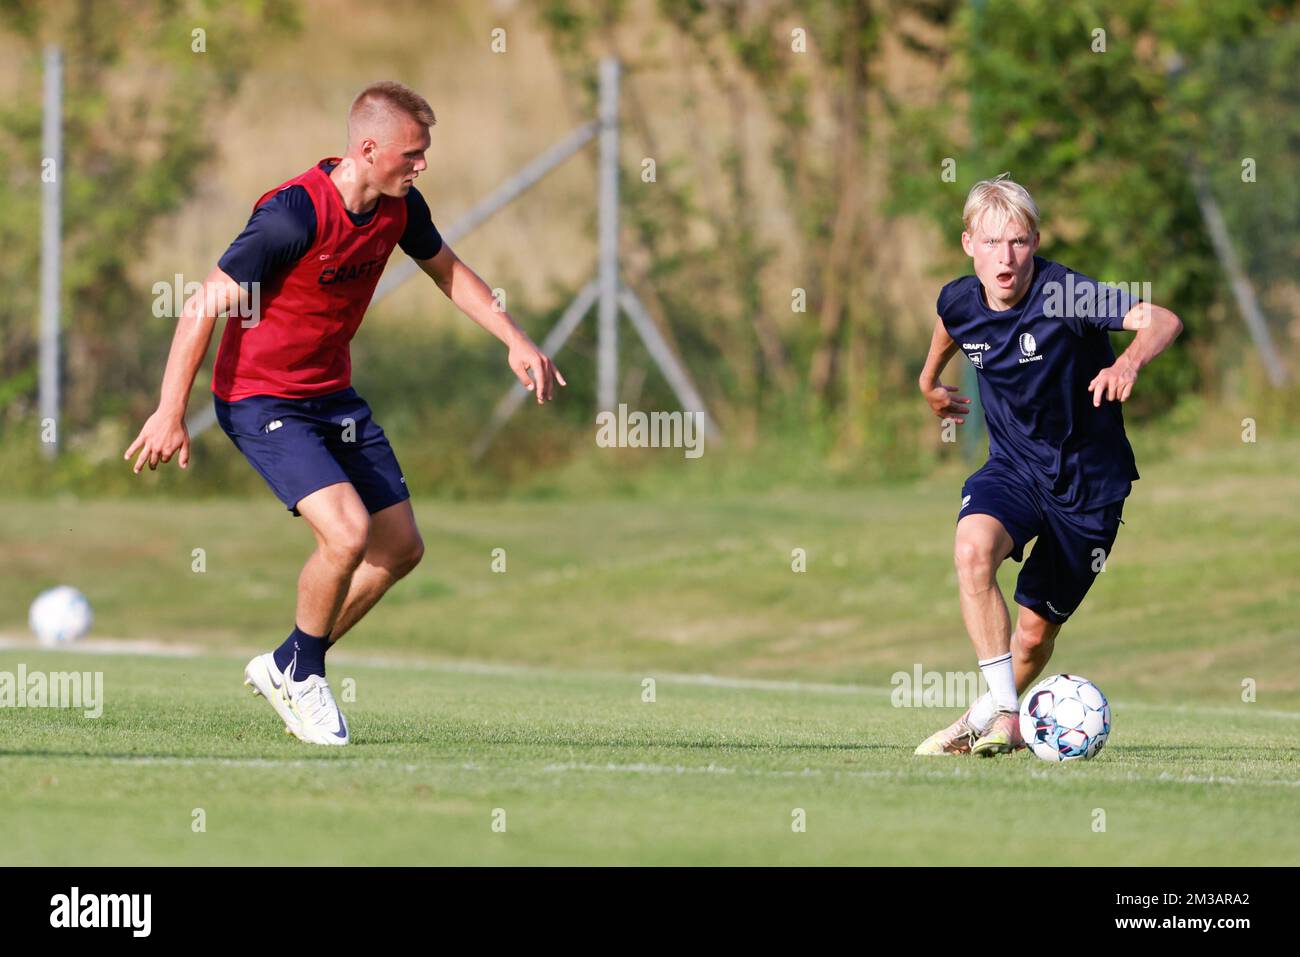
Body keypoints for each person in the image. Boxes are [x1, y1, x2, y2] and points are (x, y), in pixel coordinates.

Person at [124, 81, 565, 746]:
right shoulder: (291, 216)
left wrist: (515, 337)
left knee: (399, 548)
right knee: (347, 534)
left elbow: (448, 270)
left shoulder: (399, 207)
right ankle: (305, 678)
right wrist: (168, 410)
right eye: (412, 153)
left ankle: (288, 662)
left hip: (332, 395)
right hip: (260, 396)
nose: (422, 165)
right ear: (367, 148)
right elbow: (202, 305)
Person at [914, 174, 1182, 757]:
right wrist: (930, 380)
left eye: (1018, 242)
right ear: (969, 245)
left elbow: (1161, 319)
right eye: (991, 244)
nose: (1005, 257)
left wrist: (1129, 362)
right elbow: (950, 323)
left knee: (1033, 638)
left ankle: (981, 721)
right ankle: (1009, 710)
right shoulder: (960, 298)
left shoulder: (1066, 294)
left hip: (1089, 489)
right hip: (1013, 470)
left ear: (1035, 241)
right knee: (972, 549)